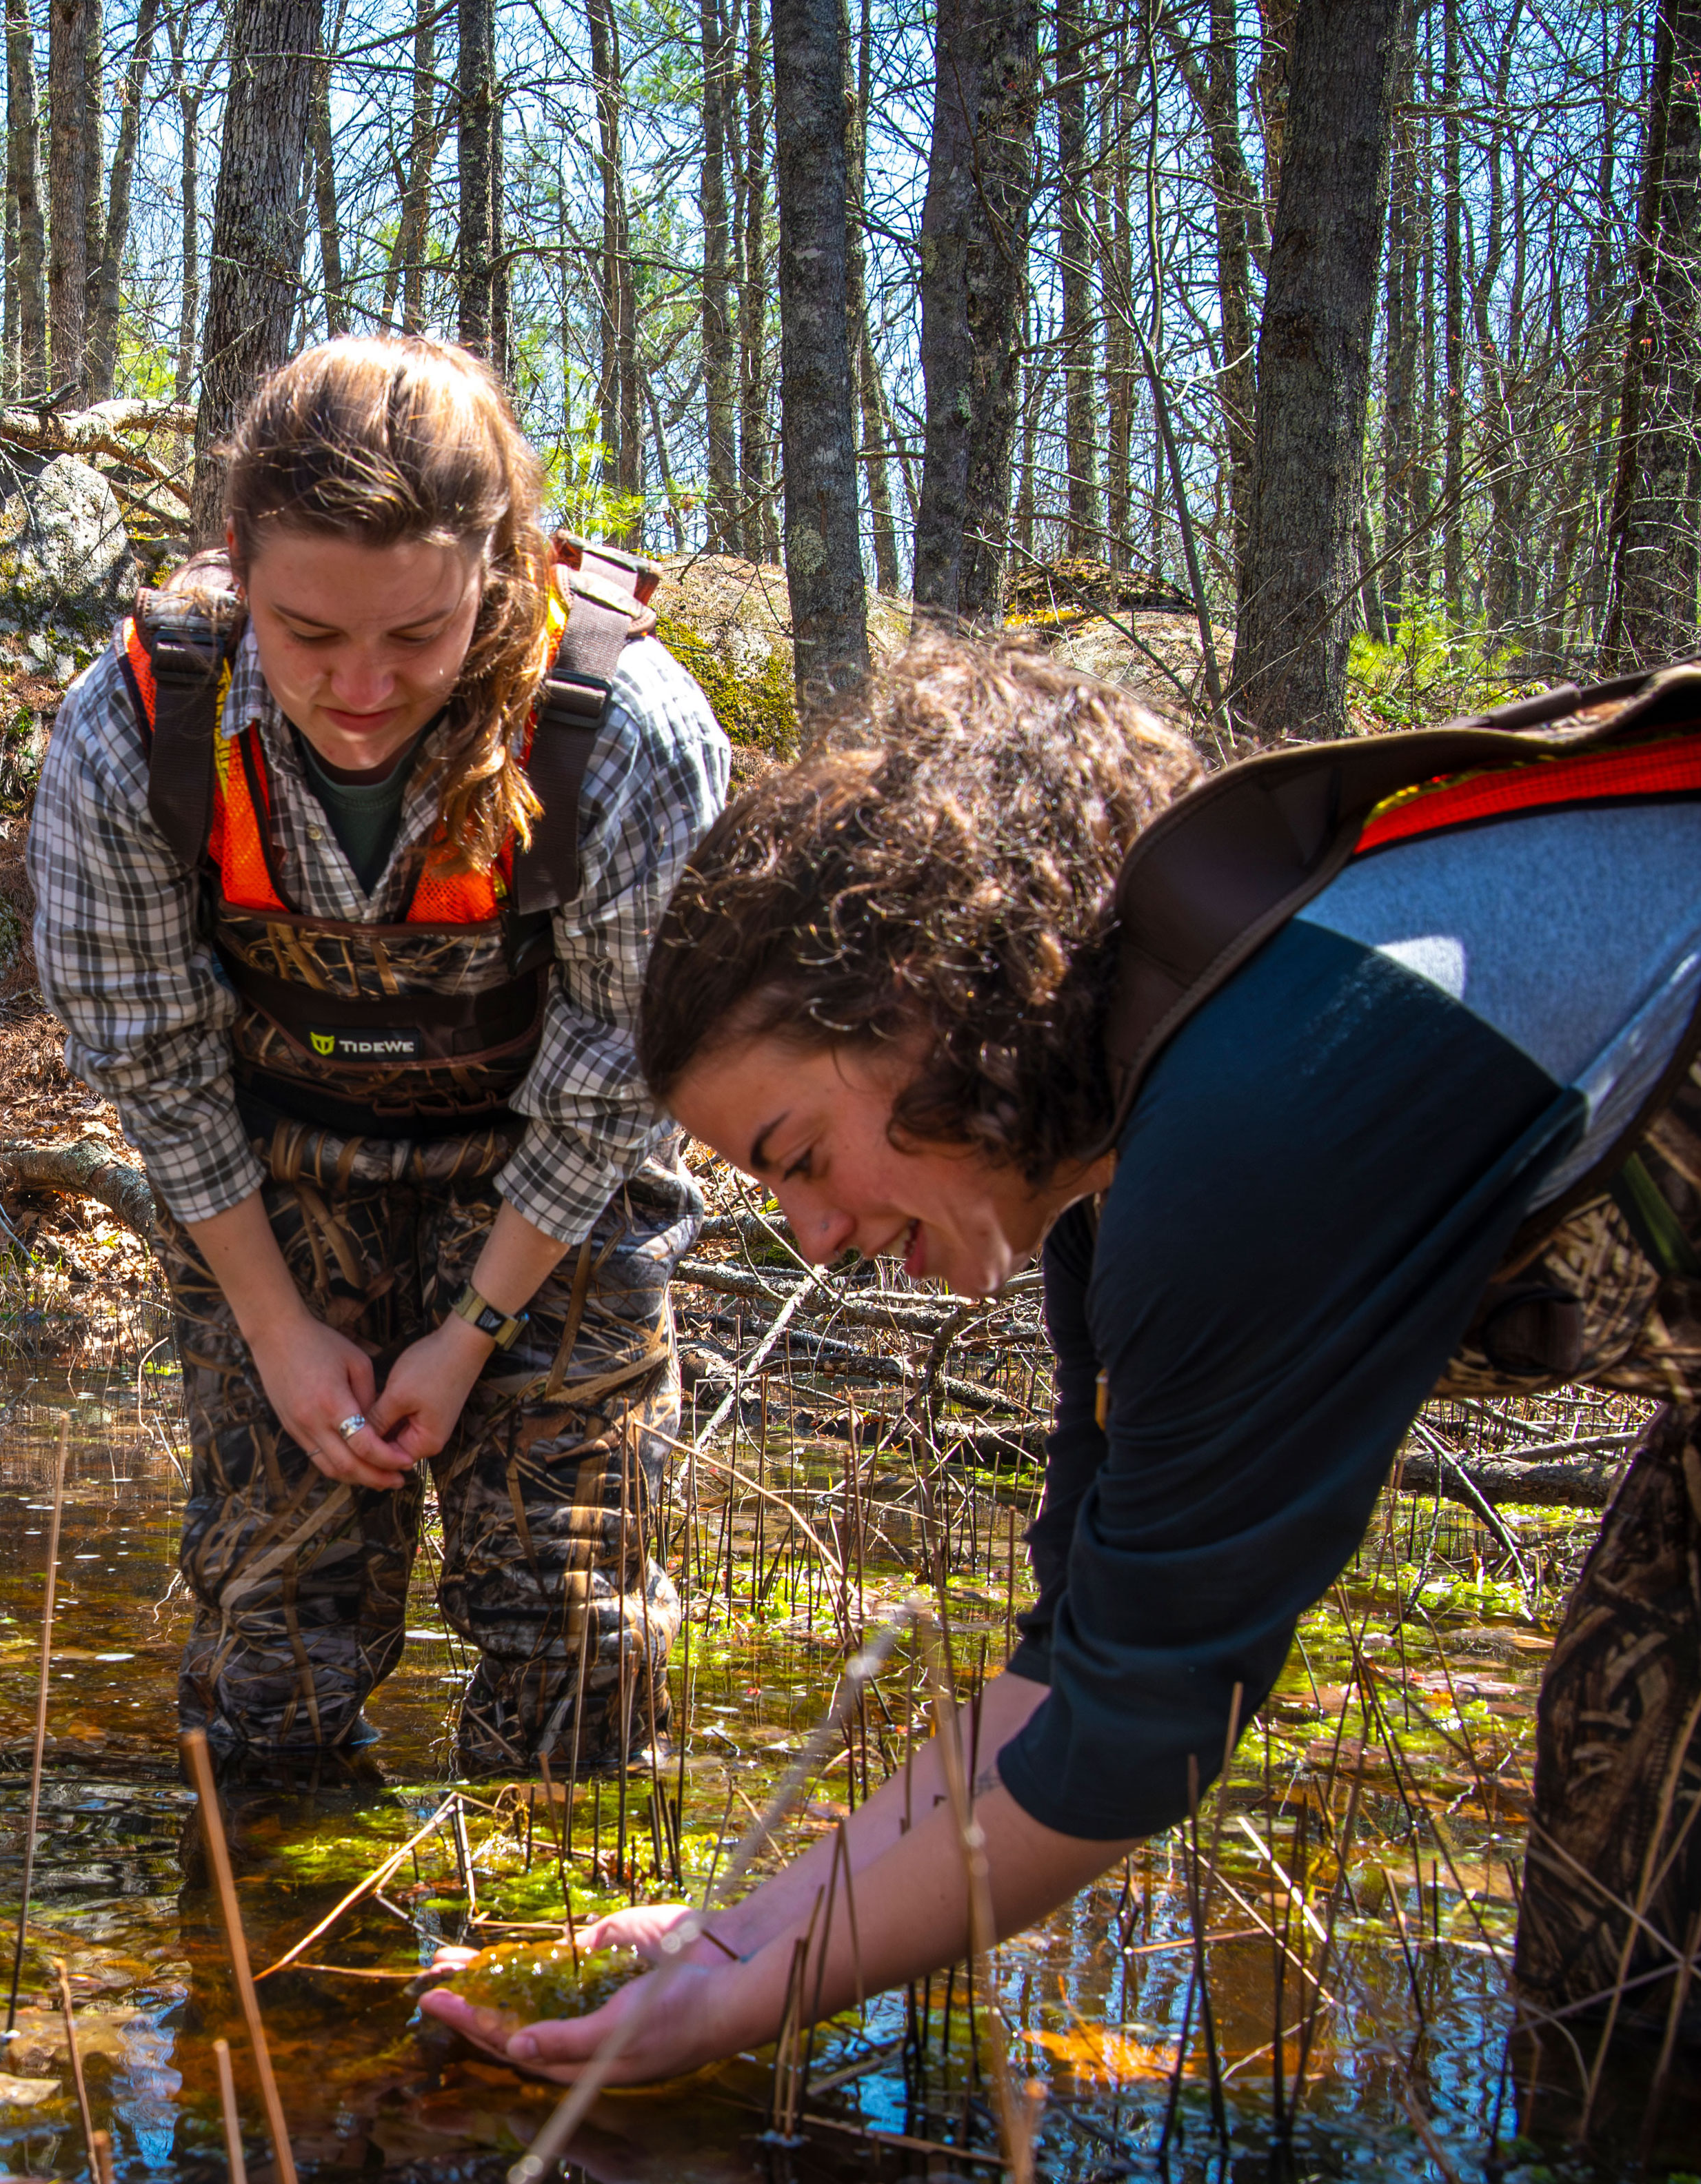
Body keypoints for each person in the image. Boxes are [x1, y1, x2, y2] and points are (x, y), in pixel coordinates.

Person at [423, 631, 1701, 2080]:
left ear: (923, 998)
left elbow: (1143, 1724)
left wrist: (740, 2007)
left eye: (799, 1156)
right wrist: (735, 1932)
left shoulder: (1252, 1115)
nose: (813, 1239)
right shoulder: (1117, 1171)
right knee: (1627, 1953)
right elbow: (1078, 1652)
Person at [28, 338, 729, 1775]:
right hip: (270, 1182)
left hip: (559, 1189)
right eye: (307, 634)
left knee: (580, 1648)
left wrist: (471, 1331)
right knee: (271, 1659)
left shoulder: (627, 733)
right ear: (236, 566)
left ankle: (563, 1983)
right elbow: (158, 1068)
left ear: (504, 568)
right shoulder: (132, 734)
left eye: (417, 636)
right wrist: (281, 1332)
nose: (359, 688)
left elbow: (617, 1074)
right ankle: (279, 1988)